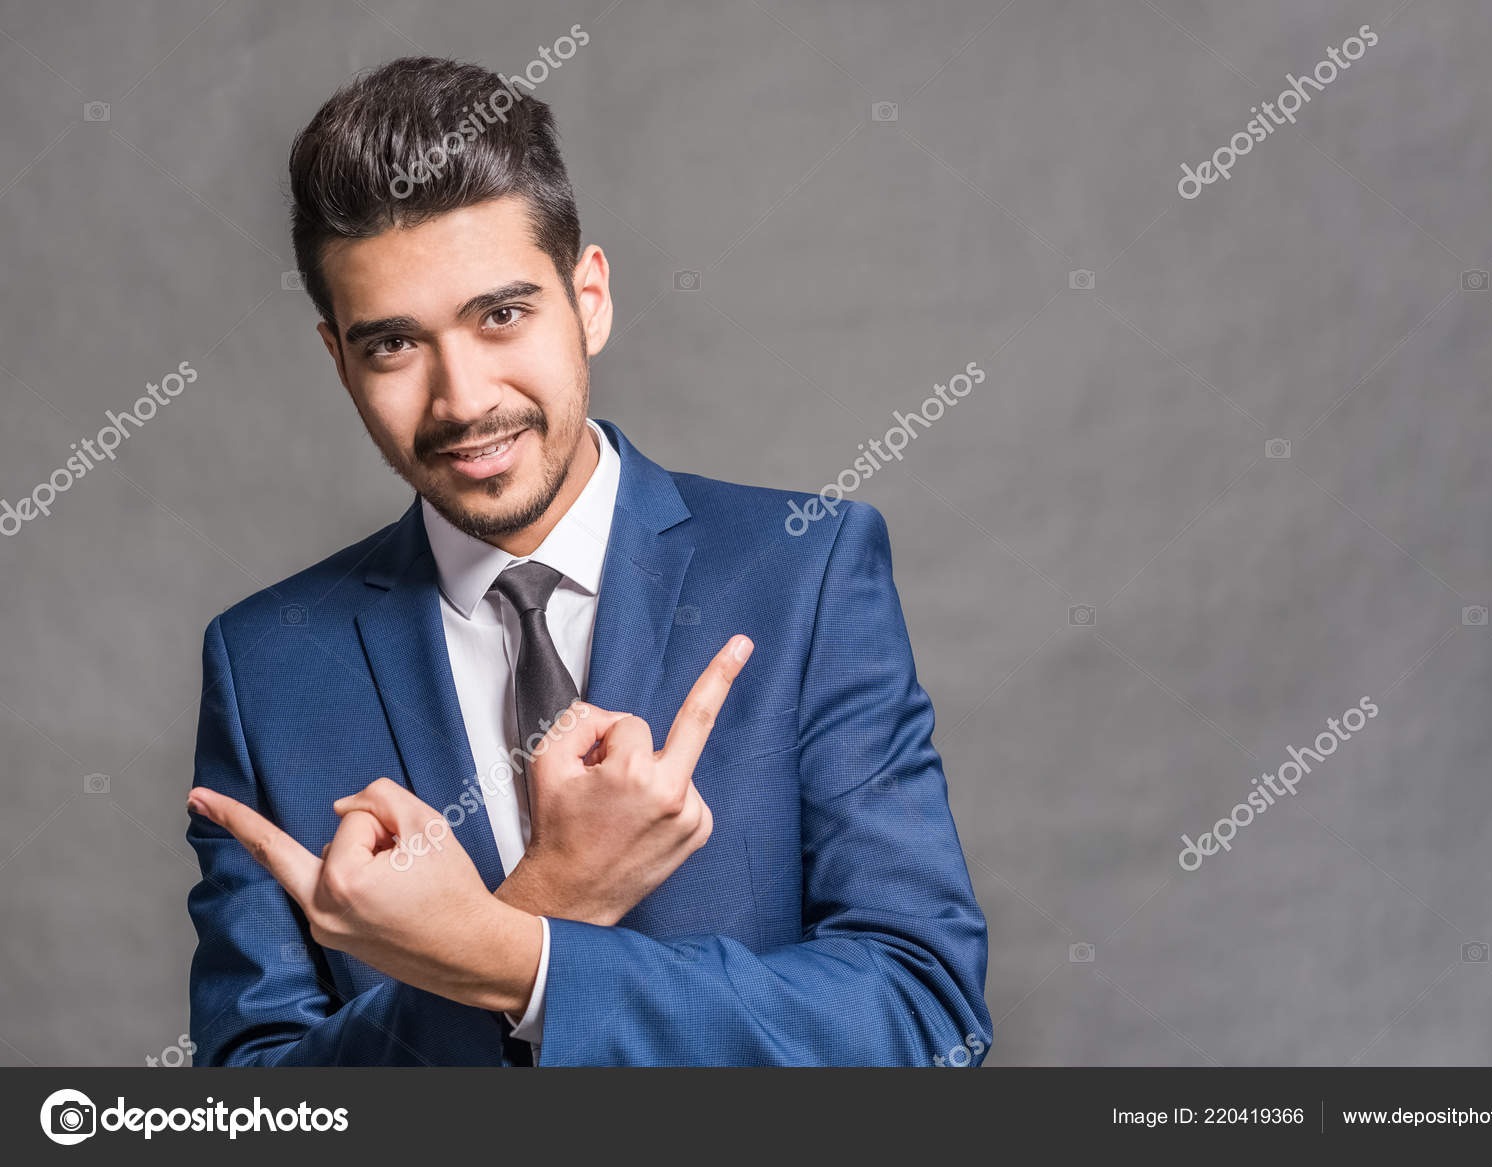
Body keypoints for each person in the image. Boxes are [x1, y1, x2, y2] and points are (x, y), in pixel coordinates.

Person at [184, 55, 990, 1066]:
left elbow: (923, 1014)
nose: (463, 399)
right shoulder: (268, 668)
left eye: (501, 315)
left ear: (590, 298)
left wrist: (520, 960)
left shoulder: (805, 572)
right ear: (339, 361)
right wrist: (554, 900)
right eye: (394, 345)